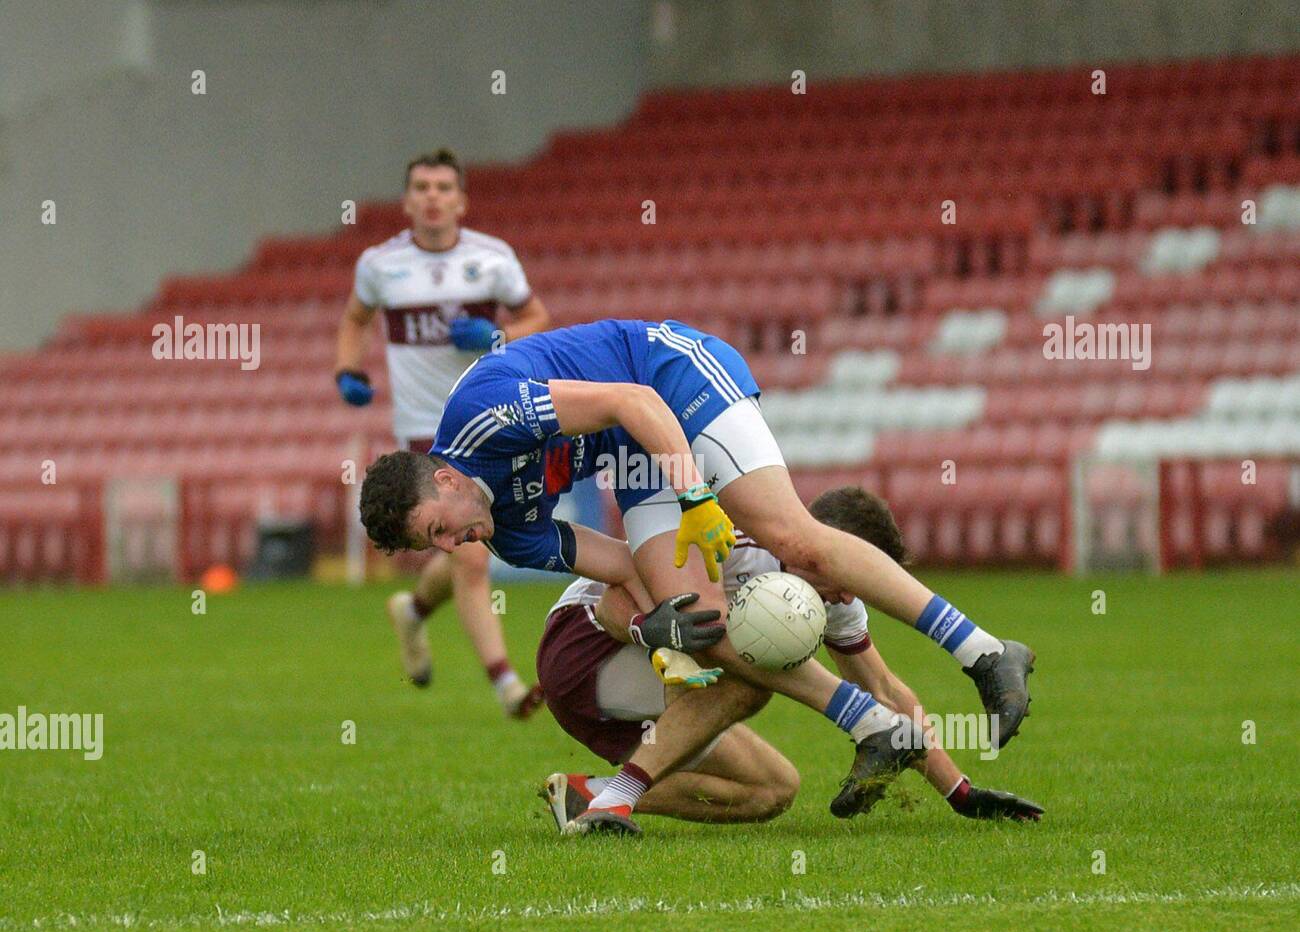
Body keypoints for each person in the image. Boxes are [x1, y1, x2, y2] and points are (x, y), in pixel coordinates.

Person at [358, 318, 1035, 830]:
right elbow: (619, 566)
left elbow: (635, 402)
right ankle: (870, 728)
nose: (454, 545)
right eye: (436, 544)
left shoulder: (481, 418)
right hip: (634, 462)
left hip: (667, 380)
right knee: (706, 626)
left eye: (439, 527)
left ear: (446, 477)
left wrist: (696, 498)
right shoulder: (509, 532)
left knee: (789, 536)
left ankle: (983, 650)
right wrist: (657, 624)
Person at [537, 487, 1043, 835]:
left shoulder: (840, 593)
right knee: (750, 670)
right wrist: (654, 636)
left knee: (772, 791)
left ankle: (592, 798)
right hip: (587, 648)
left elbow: (886, 691)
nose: (848, 592)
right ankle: (621, 794)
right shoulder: (736, 541)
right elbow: (609, 599)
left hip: (649, 679)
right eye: (847, 572)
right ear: (819, 545)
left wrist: (959, 792)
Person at [334, 149, 549, 716]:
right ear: (407, 200)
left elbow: (536, 319)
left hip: (485, 420)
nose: (432, 196)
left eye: (443, 187)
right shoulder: (381, 265)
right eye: (422, 187)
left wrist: (497, 335)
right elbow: (356, 319)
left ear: (461, 200)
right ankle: (507, 685)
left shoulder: (492, 259)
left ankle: (413, 611)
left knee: (464, 552)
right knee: (473, 556)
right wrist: (348, 370)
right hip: (423, 433)